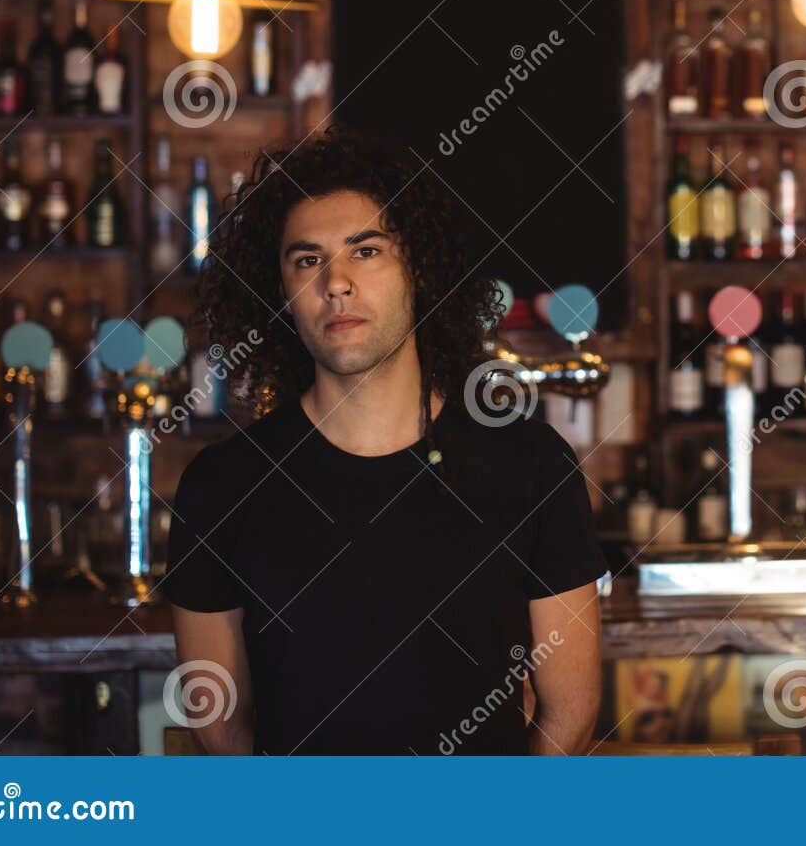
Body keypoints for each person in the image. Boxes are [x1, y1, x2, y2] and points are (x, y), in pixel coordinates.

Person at [164, 127, 606, 754]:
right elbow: (219, 724)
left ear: (417, 270)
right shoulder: (222, 485)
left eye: (366, 251)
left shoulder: (530, 464)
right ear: (281, 294)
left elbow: (572, 710)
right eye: (307, 260)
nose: (335, 282)